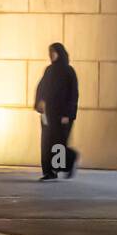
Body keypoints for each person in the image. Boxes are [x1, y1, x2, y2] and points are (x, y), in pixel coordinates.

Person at [34, 42, 79, 181]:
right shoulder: (49, 70)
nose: (51, 55)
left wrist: (68, 114)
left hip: (63, 115)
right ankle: (49, 172)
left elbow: (73, 94)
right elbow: (41, 88)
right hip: (48, 114)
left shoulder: (69, 71)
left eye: (53, 52)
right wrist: (39, 102)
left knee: (59, 144)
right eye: (50, 53)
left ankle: (69, 159)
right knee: (46, 143)